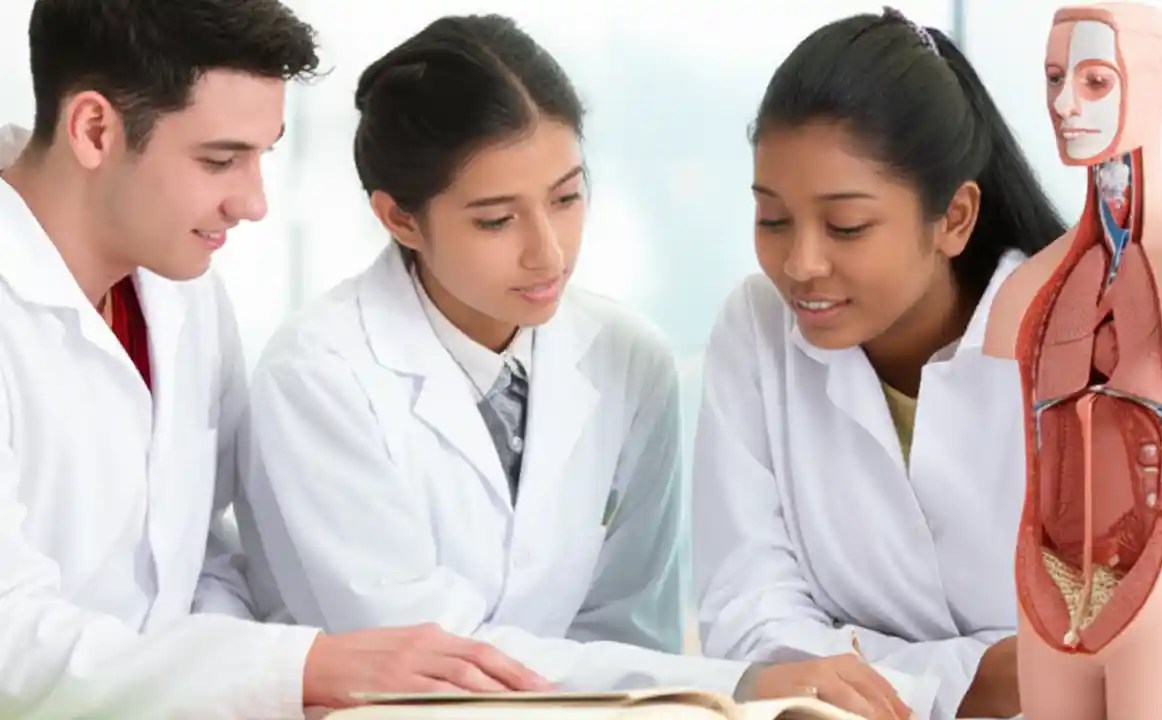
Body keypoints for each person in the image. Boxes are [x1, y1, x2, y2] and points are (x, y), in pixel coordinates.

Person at [235, 14, 915, 720]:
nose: (548, 252)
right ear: (400, 219)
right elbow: (432, 661)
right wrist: (739, 679)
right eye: (497, 220)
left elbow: (633, 629)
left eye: (566, 198)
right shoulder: (318, 373)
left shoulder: (629, 357)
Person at [0, 2, 546, 717]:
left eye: (263, 155)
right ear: (94, 129)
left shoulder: (181, 293)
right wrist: (294, 670)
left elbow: (198, 561)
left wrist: (268, 687)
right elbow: (13, 644)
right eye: (220, 160)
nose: (253, 203)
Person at [692, 8, 1066, 719]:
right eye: (772, 219)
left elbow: (1108, 646)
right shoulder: (755, 328)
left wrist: (853, 658)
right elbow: (751, 622)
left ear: (954, 217)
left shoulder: (1090, 334)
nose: (800, 264)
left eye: (847, 226)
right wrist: (975, 680)